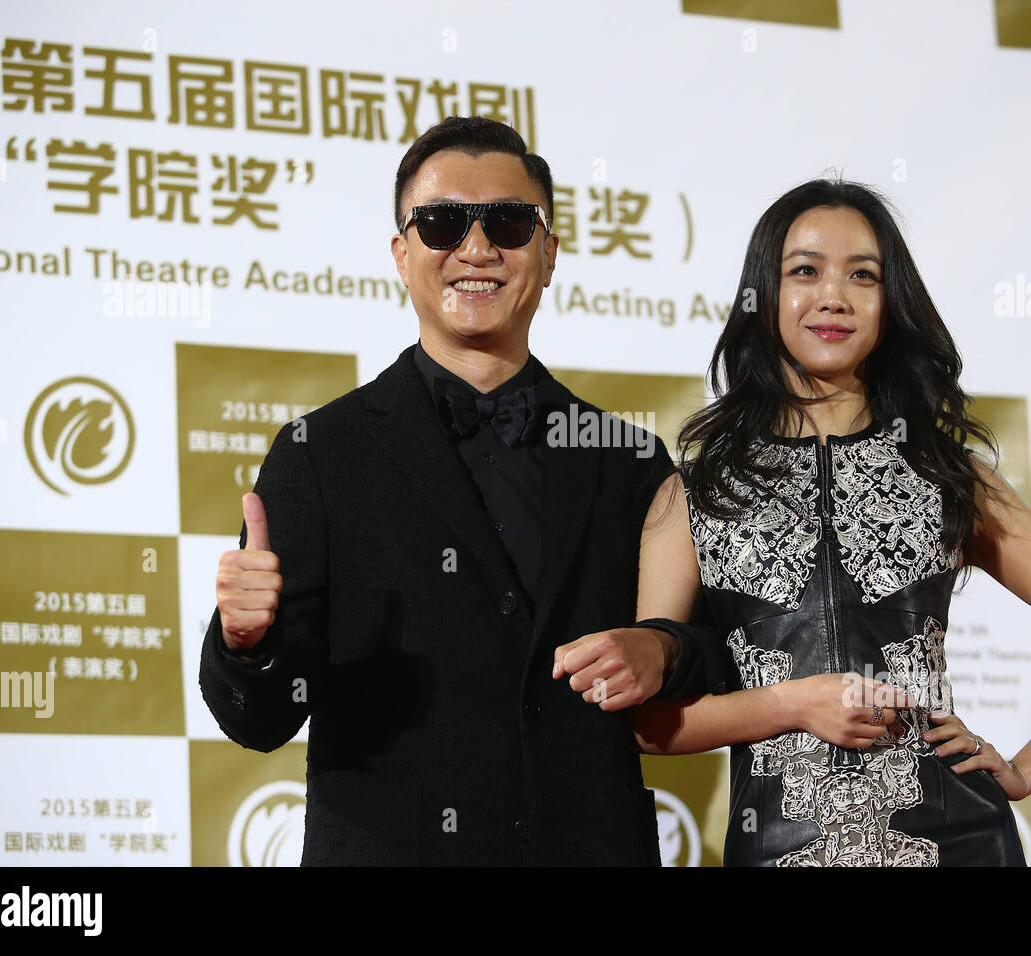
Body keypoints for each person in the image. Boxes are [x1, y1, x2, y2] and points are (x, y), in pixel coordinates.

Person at [199, 116, 734, 865]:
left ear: (548, 255)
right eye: (443, 222)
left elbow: (719, 651)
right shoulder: (319, 455)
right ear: (401, 252)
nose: (477, 249)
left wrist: (663, 646)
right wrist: (245, 644)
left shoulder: (629, 457)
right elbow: (257, 720)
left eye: (510, 224)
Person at [628, 179, 1031, 866]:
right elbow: (649, 724)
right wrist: (795, 704)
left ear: (890, 302)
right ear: (764, 295)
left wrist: (1023, 771)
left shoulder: (948, 474)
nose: (833, 296)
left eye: (863, 276)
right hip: (781, 848)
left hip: (953, 842)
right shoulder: (695, 492)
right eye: (805, 271)